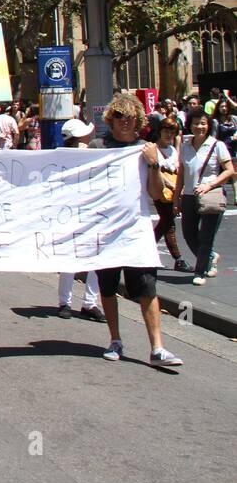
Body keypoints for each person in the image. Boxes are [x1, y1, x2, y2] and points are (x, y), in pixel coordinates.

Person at [89, 93, 183, 368]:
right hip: (105, 230)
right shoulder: (98, 146)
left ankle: (157, 347)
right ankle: (115, 339)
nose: (124, 123)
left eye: (130, 118)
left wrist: (154, 163)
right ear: (111, 119)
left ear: (139, 120)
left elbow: (155, 192)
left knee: (147, 288)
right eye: (119, 117)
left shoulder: (145, 149)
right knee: (107, 287)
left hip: (135, 230)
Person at [178, 109, 235, 287]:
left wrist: (209, 185)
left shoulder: (217, 145)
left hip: (211, 195)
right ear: (190, 125)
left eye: (203, 123)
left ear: (209, 125)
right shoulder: (185, 145)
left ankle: (200, 271)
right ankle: (211, 257)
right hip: (188, 195)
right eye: (196, 123)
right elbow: (181, 172)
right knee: (188, 234)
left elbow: (229, 170)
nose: (199, 127)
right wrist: (175, 197)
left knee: (205, 237)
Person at [55, 118, 103, 320]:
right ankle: (64, 302)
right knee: (70, 258)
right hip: (71, 213)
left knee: (97, 258)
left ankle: (90, 303)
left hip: (92, 212)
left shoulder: (96, 155)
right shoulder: (61, 158)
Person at [150, 117, 185, 272]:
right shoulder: (154, 149)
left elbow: (177, 169)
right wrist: (174, 186)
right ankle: (178, 259)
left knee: (164, 224)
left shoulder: (172, 150)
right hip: (161, 191)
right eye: (166, 131)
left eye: (172, 131)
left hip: (173, 192)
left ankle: (146, 248)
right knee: (169, 225)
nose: (168, 134)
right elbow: (156, 171)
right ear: (159, 131)